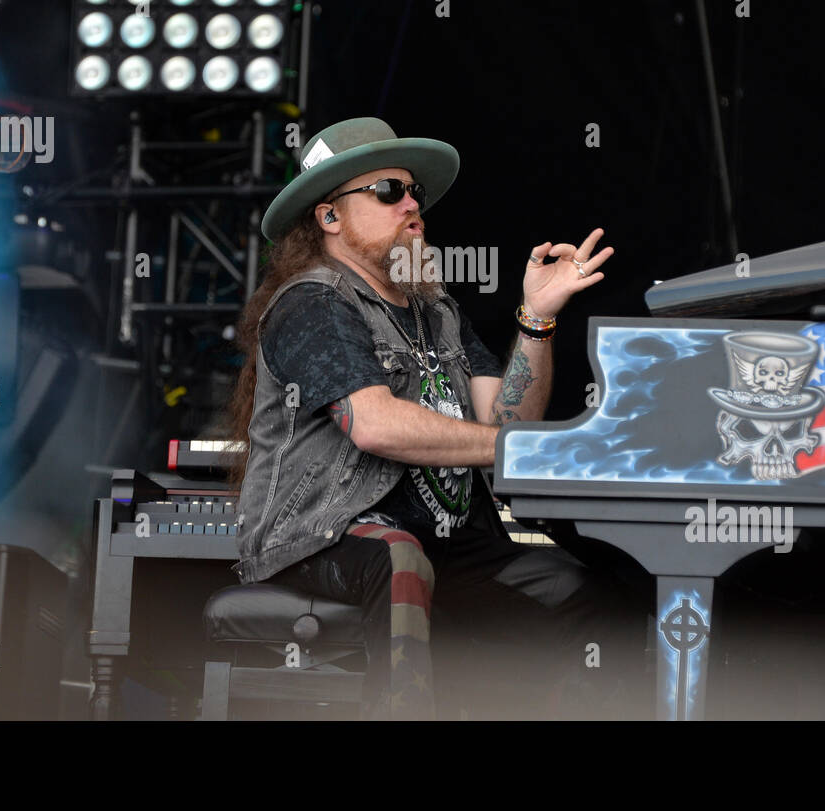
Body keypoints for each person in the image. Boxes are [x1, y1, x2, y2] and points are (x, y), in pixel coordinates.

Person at [226, 117, 645, 719]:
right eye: (389, 191)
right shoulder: (314, 302)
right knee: (398, 556)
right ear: (330, 217)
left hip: (448, 541)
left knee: (578, 590)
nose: (413, 203)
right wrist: (512, 449)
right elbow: (372, 424)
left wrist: (536, 317)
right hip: (330, 534)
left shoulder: (437, 311)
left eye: (415, 191)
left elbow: (508, 419)